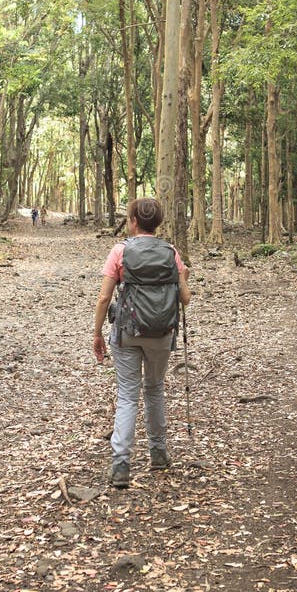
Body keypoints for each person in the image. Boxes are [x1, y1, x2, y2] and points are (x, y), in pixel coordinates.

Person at [93, 197, 191, 489]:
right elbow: (185, 299)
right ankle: (158, 453)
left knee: (127, 395)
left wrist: (97, 332)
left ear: (133, 221)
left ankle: (121, 464)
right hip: (162, 332)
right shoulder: (171, 252)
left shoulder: (120, 251)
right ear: (157, 222)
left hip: (127, 331)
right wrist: (183, 277)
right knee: (155, 388)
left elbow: (103, 298)